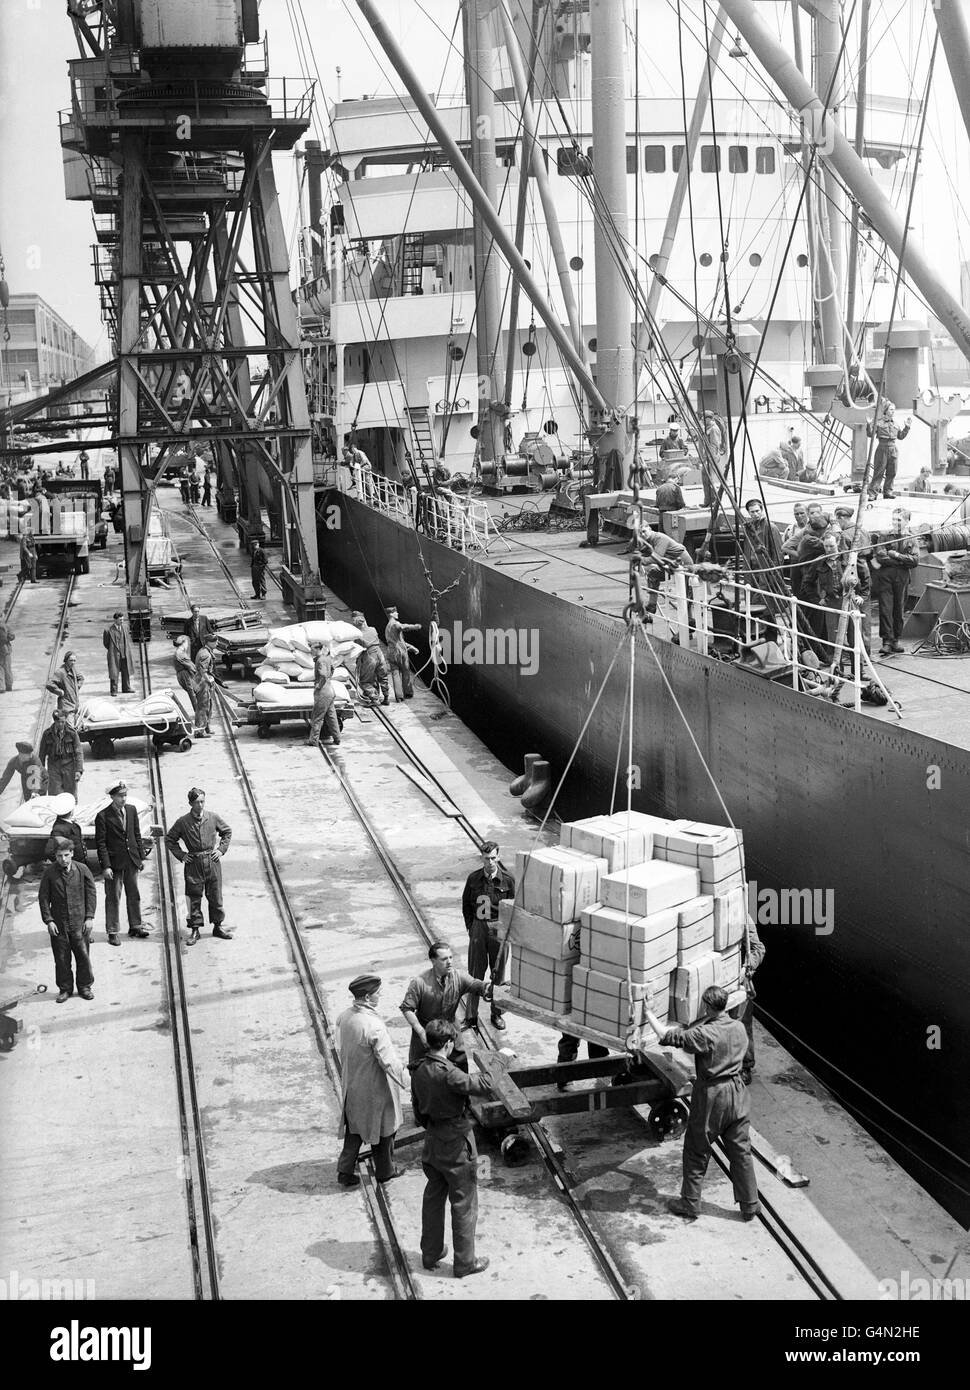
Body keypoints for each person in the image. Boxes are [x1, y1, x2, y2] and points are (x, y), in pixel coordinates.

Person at [654, 985, 760, 1222]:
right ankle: (750, 1204)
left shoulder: (705, 1034)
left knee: (696, 1149)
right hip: (738, 1093)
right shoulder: (739, 1027)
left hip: (713, 1097)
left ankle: (690, 1203)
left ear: (707, 1007)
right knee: (741, 1150)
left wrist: (649, 1014)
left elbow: (667, 1036)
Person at [411, 1018, 494, 1278]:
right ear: (447, 1044)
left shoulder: (419, 1069)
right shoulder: (449, 1073)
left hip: (433, 1143)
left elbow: (418, 1111)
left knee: (433, 1199)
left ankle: (431, 1253)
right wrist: (500, 1060)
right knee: (464, 1203)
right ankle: (465, 1263)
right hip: (457, 1146)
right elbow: (485, 1085)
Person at [335, 974, 410, 1188]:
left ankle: (344, 1170)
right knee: (385, 1129)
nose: (381, 995)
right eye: (378, 992)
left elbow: (340, 1046)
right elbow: (389, 1062)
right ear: (368, 997)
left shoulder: (344, 1017)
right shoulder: (373, 1026)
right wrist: (410, 1083)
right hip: (375, 1088)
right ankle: (385, 1171)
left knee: (355, 1129)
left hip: (352, 1084)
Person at [401, 941, 492, 1074]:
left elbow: (477, 986)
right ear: (433, 961)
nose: (449, 962)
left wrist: (490, 988)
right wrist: (421, 1032)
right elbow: (407, 1008)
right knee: (421, 1071)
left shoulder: (458, 977)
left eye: (450, 957)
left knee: (460, 1066)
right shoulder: (420, 982)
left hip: (450, 1030)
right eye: (444, 959)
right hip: (427, 1032)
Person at [164, 787, 233, 941]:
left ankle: (218, 926)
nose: (200, 805)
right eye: (196, 802)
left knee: (215, 896)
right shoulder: (183, 822)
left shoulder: (213, 817)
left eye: (202, 801)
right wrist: (182, 855)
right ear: (190, 803)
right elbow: (169, 839)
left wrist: (221, 850)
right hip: (193, 864)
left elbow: (227, 832)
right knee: (193, 897)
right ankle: (195, 930)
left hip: (212, 861)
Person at [461, 842, 515, 1030]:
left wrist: (508, 933)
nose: (490, 862)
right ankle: (471, 1016)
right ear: (481, 858)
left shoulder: (508, 880)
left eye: (493, 858)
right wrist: (471, 927)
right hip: (478, 927)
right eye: (486, 858)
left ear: (498, 857)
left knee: (498, 974)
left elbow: (515, 908)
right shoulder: (473, 878)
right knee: (475, 972)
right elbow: (466, 904)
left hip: (499, 930)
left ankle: (496, 1013)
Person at [39, 838, 97, 1004]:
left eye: (66, 855)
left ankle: (85, 987)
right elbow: (43, 898)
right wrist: (49, 921)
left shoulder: (82, 869)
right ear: (55, 856)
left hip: (80, 923)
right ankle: (65, 989)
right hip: (59, 924)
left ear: (72, 853)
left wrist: (89, 917)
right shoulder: (50, 873)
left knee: (83, 957)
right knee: (62, 958)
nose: (63, 859)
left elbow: (91, 894)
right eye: (59, 856)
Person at [96, 780, 151, 945]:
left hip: (131, 861)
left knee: (134, 895)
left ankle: (135, 925)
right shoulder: (103, 816)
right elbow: (101, 844)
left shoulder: (131, 810)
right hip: (114, 864)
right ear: (112, 797)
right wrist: (106, 866)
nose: (124, 799)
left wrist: (140, 857)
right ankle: (112, 931)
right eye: (120, 796)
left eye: (125, 795)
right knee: (113, 897)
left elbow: (136, 834)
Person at [870, 506, 919, 656]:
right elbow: (879, 557)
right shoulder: (884, 536)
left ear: (907, 521)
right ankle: (886, 641)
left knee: (899, 608)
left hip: (902, 578)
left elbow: (915, 560)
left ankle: (896, 640)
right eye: (893, 519)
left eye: (899, 520)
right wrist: (901, 561)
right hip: (885, 576)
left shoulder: (911, 538)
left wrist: (896, 555)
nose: (895, 522)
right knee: (885, 608)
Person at [866, 400, 912, 500]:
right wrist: (869, 425)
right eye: (891, 409)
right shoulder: (878, 423)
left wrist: (907, 428)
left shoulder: (896, 424)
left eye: (894, 410)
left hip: (893, 448)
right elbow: (870, 434)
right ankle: (873, 493)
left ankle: (888, 491)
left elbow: (900, 436)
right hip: (882, 448)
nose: (893, 411)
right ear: (886, 410)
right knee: (879, 472)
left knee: (892, 471)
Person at [39, 710, 84, 796]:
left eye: (63, 722)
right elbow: (42, 753)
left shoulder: (72, 733)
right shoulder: (47, 734)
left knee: (70, 795)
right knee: (55, 795)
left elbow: (79, 752)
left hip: (69, 766)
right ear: (55, 721)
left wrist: (79, 770)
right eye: (58, 722)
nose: (61, 724)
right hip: (53, 767)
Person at [306, 639, 341, 748]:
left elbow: (323, 676)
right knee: (331, 717)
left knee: (317, 717)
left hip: (323, 692)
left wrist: (319, 686)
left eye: (312, 650)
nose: (311, 652)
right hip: (330, 690)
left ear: (318, 649)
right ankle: (337, 738)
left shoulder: (320, 661)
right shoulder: (327, 658)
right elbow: (332, 669)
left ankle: (313, 740)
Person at [352, 611, 390, 706]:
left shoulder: (358, 635)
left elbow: (357, 648)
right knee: (383, 677)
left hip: (369, 656)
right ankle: (386, 698)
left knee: (365, 681)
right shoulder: (373, 629)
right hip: (380, 654)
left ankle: (374, 699)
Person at [384, 606, 420, 701]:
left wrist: (411, 647)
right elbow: (402, 627)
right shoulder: (395, 624)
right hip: (399, 652)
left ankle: (399, 697)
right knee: (405, 671)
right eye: (396, 612)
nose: (398, 614)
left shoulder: (387, 627)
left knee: (395, 674)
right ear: (392, 614)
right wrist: (415, 626)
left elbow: (397, 640)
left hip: (390, 652)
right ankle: (408, 693)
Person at [173, 636, 204, 732]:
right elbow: (192, 667)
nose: (188, 645)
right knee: (196, 699)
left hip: (184, 676)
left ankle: (201, 725)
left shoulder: (179, 653)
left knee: (196, 699)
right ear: (184, 643)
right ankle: (199, 728)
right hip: (186, 677)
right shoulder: (180, 654)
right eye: (187, 643)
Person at [742, 498, 784, 568]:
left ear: (761, 510)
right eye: (752, 512)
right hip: (752, 569)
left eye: (757, 511)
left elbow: (778, 553)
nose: (755, 514)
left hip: (766, 569)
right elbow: (747, 550)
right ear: (748, 512)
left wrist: (775, 570)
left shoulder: (771, 527)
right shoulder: (748, 528)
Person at [43, 795, 85, 864]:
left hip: (78, 865)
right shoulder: (59, 829)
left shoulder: (68, 824)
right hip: (71, 868)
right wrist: (63, 863)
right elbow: (49, 852)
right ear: (71, 811)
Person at [47, 651, 84, 726]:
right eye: (71, 660)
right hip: (65, 706)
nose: (73, 662)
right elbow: (49, 684)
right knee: (69, 729)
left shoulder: (73, 669)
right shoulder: (60, 672)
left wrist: (76, 687)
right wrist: (59, 691)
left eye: (74, 660)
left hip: (74, 704)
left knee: (73, 728)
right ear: (66, 660)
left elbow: (81, 678)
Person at [102, 611, 135, 696]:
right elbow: (106, 644)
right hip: (114, 655)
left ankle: (126, 688)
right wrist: (113, 651)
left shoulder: (125, 627)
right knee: (114, 672)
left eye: (123, 619)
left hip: (125, 654)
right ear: (115, 620)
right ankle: (114, 690)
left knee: (126, 671)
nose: (122, 621)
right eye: (120, 620)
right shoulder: (108, 630)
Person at [193, 635, 217, 738]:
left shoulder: (204, 651)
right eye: (215, 642)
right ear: (209, 642)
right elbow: (203, 671)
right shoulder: (205, 654)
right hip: (202, 683)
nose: (217, 643)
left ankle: (206, 727)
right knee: (203, 707)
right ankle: (199, 732)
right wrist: (209, 681)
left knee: (208, 705)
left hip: (201, 682)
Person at [0, 617, 14, 692]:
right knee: (7, 668)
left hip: (3, 650)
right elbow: (12, 636)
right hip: (6, 650)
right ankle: (9, 685)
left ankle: (1, 687)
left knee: (1, 669)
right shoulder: (5, 626)